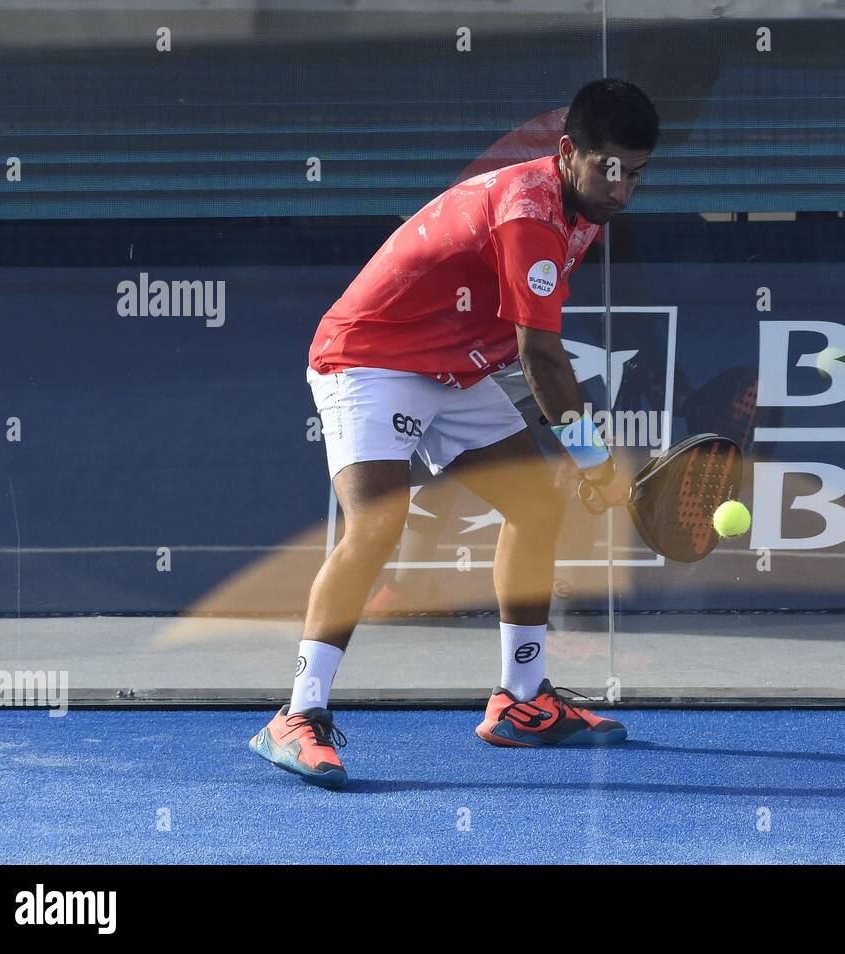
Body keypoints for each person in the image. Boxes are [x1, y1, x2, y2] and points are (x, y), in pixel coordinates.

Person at [248, 79, 659, 788]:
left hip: (452, 366)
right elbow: (541, 356)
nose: (622, 190)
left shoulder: (584, 208)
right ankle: (297, 713)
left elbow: (513, 333)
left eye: (637, 174)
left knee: (534, 506)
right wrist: (594, 460)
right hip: (370, 357)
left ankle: (521, 702)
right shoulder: (531, 211)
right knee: (379, 521)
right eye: (608, 170)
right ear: (568, 154)